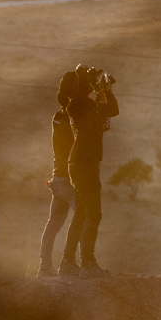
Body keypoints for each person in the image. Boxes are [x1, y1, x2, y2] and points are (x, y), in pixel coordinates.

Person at [59, 64, 120, 278]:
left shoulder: (90, 105)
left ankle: (67, 262)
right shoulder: (77, 104)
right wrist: (91, 84)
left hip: (86, 163)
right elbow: (79, 99)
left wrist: (105, 90)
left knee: (83, 214)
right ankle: (87, 263)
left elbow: (113, 110)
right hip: (83, 163)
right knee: (94, 214)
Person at [36, 102, 77, 277]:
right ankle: (72, 263)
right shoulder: (71, 120)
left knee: (52, 225)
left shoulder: (57, 118)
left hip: (57, 178)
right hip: (69, 179)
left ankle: (44, 267)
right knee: (84, 217)